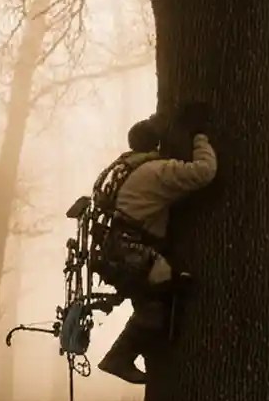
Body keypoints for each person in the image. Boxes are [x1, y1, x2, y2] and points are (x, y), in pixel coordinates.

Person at [93, 103, 217, 384]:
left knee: (154, 299)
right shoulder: (156, 171)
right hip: (132, 250)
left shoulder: (123, 168)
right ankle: (118, 357)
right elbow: (204, 171)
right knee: (156, 303)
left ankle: (128, 356)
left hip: (117, 249)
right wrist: (200, 137)